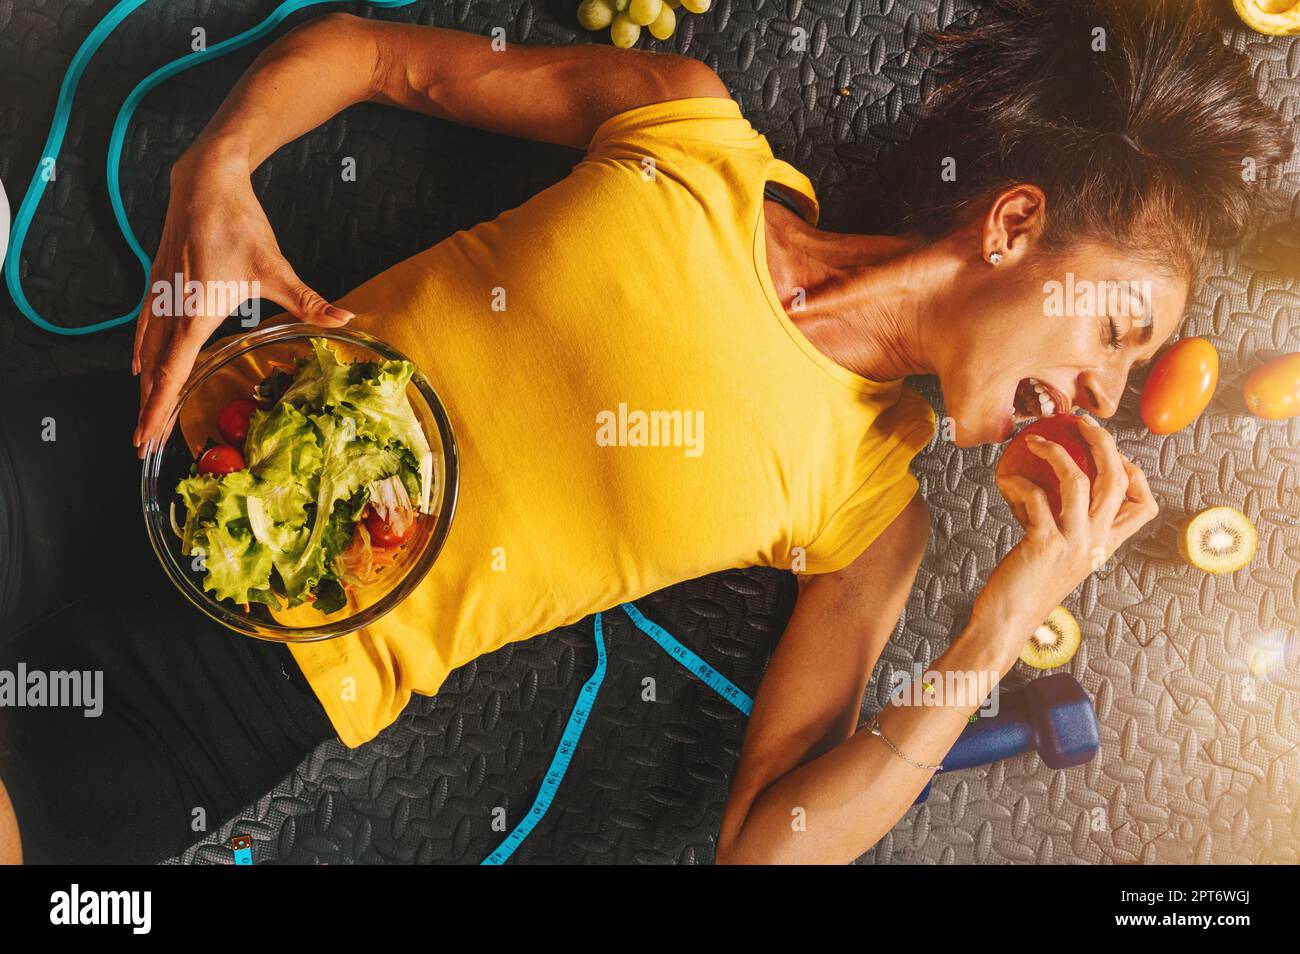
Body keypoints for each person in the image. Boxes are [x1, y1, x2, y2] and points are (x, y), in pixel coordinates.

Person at [0, 0, 1290, 864]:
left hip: (250, 691)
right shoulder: (689, 130)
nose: (1111, 397)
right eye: (1117, 328)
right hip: (169, 435)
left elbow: (769, 849)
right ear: (1011, 228)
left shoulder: (871, 522)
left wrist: (1006, 615)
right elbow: (369, 52)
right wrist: (213, 169)